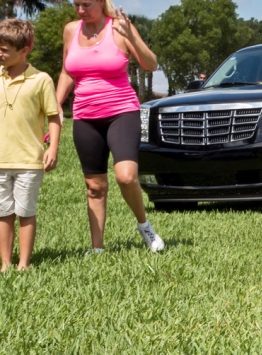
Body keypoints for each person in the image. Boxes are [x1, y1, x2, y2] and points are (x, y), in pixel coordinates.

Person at [56, 0, 163, 254]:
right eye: (76, 5)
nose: (81, 10)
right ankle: (97, 248)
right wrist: (56, 104)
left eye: (86, 4)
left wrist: (132, 39)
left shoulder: (119, 28)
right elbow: (66, 72)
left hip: (122, 113)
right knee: (94, 186)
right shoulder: (71, 30)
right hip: (85, 116)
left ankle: (144, 225)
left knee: (126, 176)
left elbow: (152, 64)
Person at [0, 18, 62, 272]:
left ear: (24, 50)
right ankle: (5, 264)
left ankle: (24, 264)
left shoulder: (41, 80)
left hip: (29, 161)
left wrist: (52, 148)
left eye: (5, 50)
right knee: (3, 213)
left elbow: (54, 117)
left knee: (25, 212)